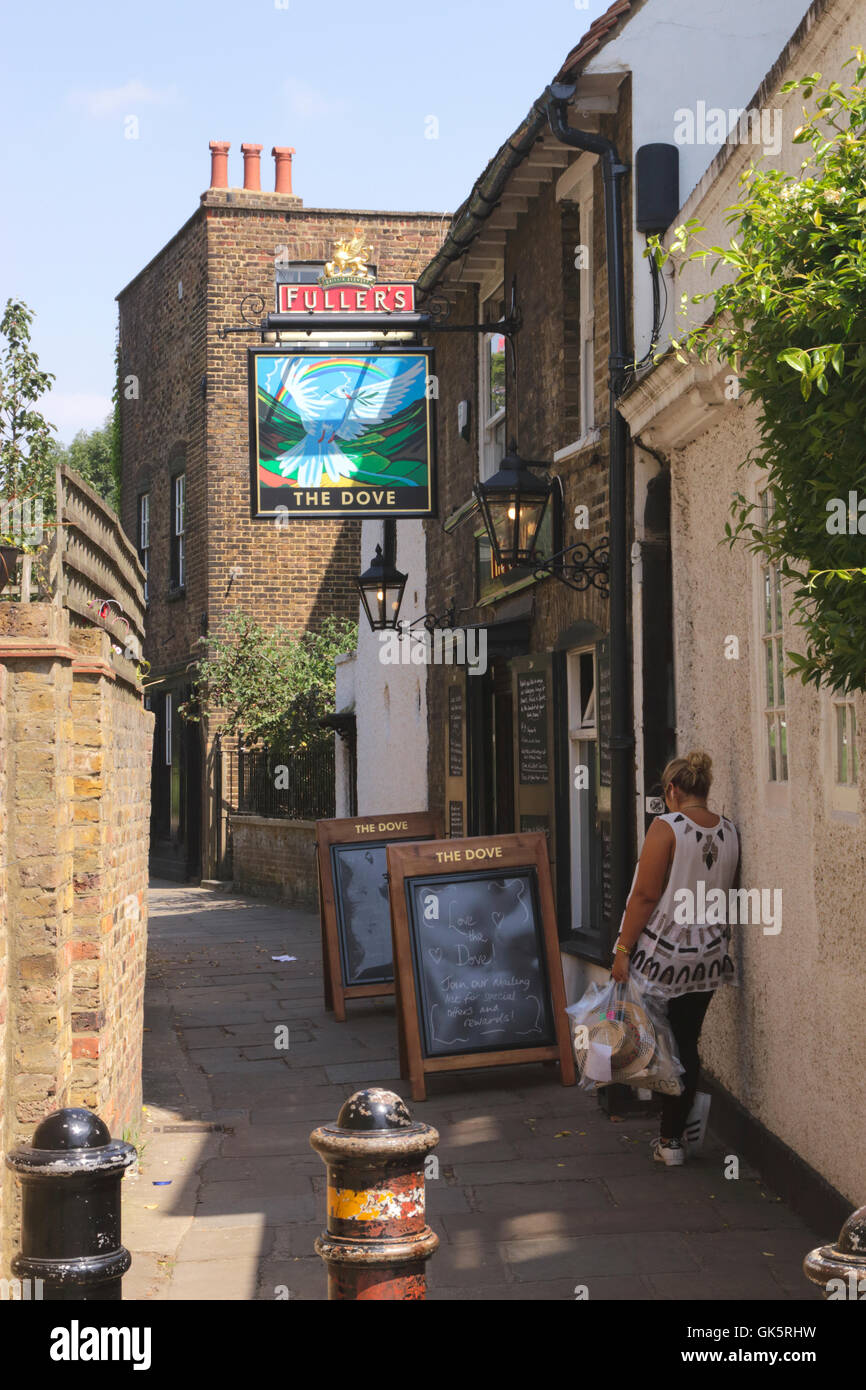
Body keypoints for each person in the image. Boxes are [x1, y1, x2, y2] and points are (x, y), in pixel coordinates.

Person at [610, 751, 739, 1166]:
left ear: (672, 790)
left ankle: (671, 1139)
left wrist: (623, 950)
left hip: (663, 956)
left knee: (659, 1048)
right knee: (686, 1042)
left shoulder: (667, 827)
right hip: (708, 954)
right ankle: (673, 1140)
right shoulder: (730, 831)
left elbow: (645, 895)